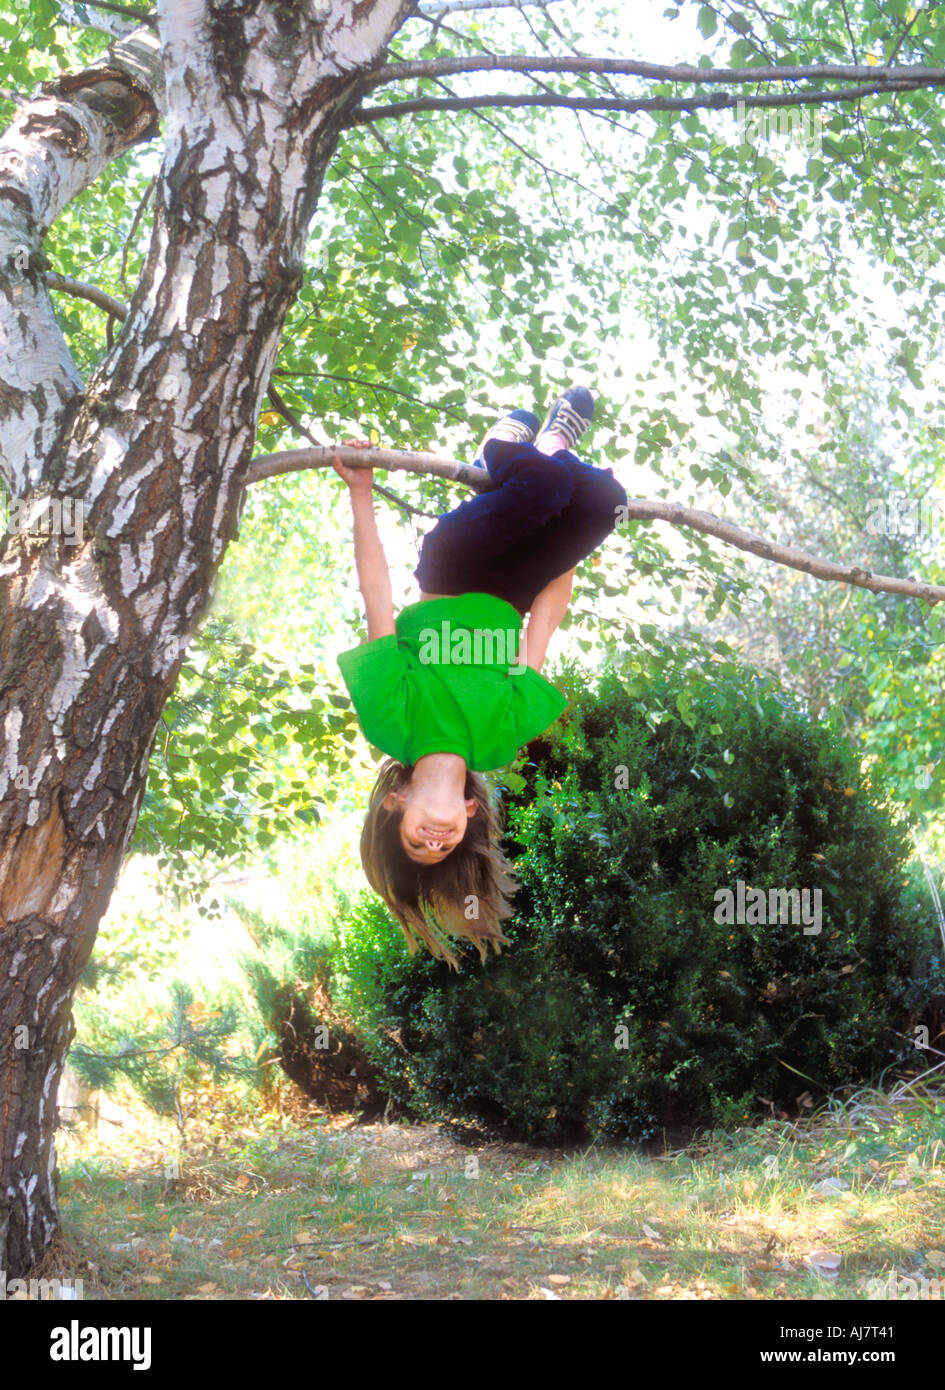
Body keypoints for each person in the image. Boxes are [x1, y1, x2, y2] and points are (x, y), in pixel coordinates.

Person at [333, 387, 627, 967]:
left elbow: (377, 601)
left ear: (397, 804)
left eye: (418, 841)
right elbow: (543, 627)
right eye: (443, 847)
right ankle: (552, 444)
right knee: (603, 502)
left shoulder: (390, 722)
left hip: (455, 564)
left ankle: (502, 445)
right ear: (469, 817)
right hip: (517, 588)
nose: (434, 840)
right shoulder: (500, 738)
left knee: (542, 488)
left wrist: (361, 493)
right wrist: (565, 542)